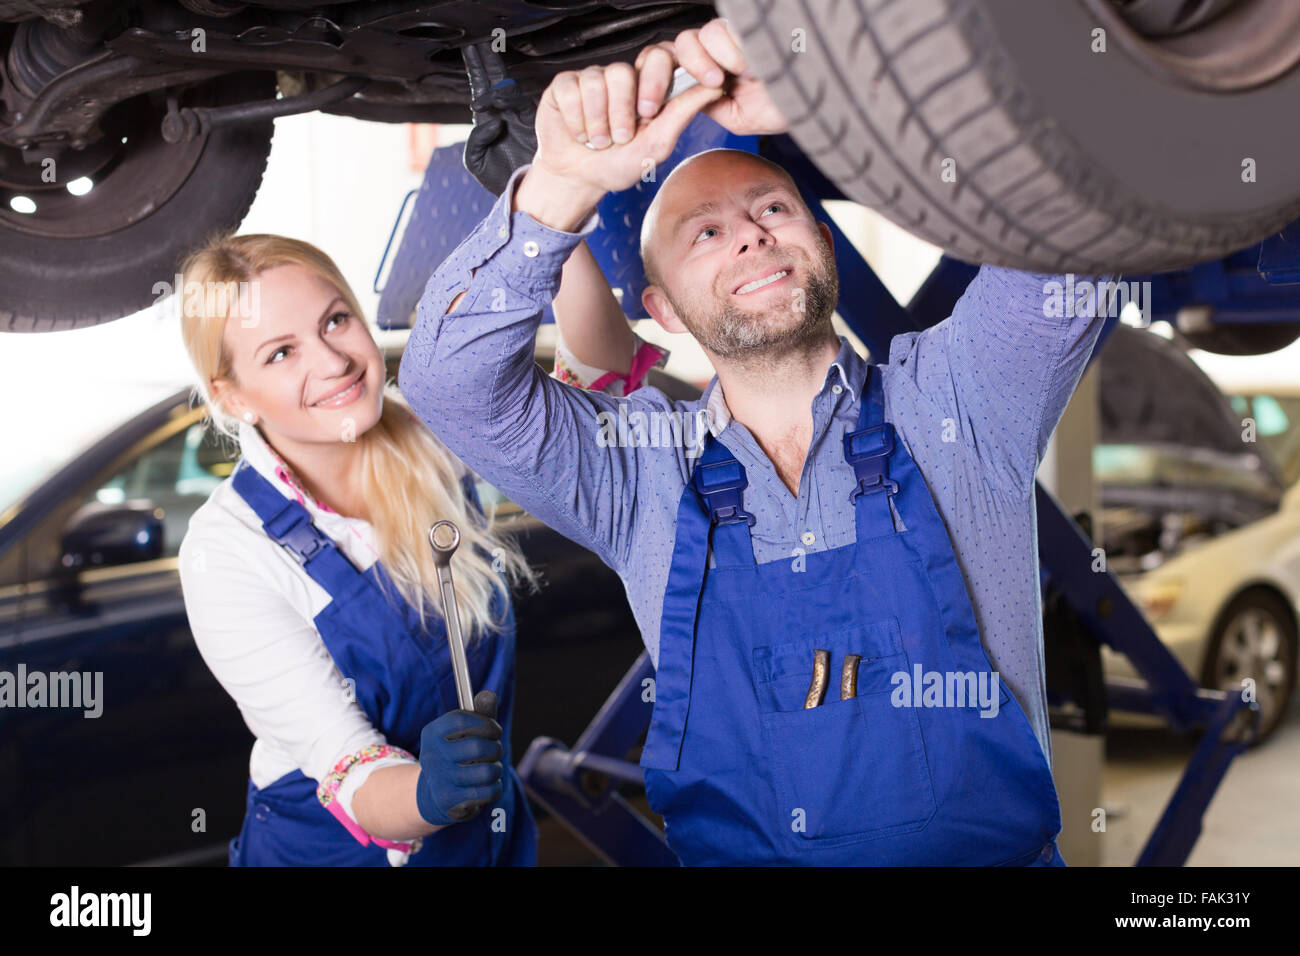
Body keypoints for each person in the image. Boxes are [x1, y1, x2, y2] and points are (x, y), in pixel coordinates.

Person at [398, 18, 1109, 866]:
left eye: (773, 208)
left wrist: (853, 104)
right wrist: (561, 183)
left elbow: (1085, 207)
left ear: (821, 246)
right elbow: (448, 385)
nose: (749, 233)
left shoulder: (962, 398)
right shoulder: (638, 474)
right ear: (664, 311)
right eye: (705, 233)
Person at [175, 230, 651, 866]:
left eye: (335, 320)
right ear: (231, 396)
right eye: (281, 353)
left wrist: (557, 218)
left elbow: (595, 394)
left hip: (483, 842)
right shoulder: (228, 551)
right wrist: (430, 793)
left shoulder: (433, 428)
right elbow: (349, 766)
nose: (333, 362)